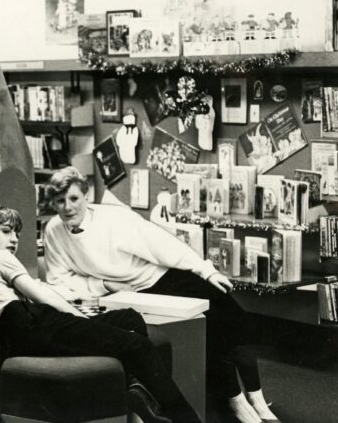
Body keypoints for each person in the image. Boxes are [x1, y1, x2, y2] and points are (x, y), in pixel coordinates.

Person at [43, 167, 280, 423]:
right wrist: (100, 284)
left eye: (74, 199)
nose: (67, 207)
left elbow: (163, 245)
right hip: (128, 294)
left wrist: (206, 271)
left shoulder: (114, 219)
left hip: (162, 277)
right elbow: (58, 280)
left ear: (86, 196)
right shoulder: (54, 231)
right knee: (208, 336)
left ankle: (257, 398)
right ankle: (236, 402)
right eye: (60, 201)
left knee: (234, 318)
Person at [0, 206, 201, 423]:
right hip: (26, 324)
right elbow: (41, 296)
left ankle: (135, 390)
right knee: (136, 345)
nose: (14, 239)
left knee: (129, 317)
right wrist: (79, 318)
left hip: (25, 327)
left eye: (16, 233)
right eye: (6, 232)